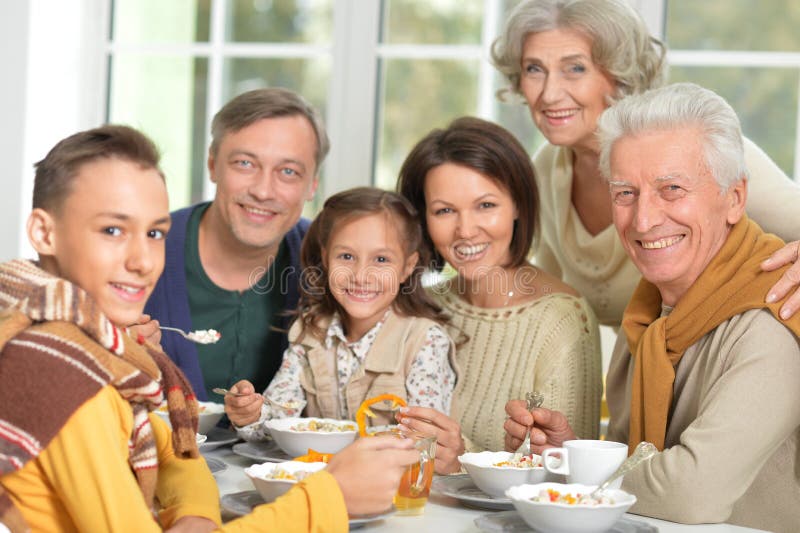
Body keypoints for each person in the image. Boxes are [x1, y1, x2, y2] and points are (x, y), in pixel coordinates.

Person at [0, 125, 421, 532]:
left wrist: (194, 515)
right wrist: (332, 498)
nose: (143, 261)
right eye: (112, 230)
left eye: (154, 233)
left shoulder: (87, 345)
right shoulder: (60, 375)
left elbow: (175, 454)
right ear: (44, 232)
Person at [504, 83, 800, 533]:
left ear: (735, 198)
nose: (643, 220)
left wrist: (580, 472)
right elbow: (643, 466)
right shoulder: (645, 316)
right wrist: (572, 453)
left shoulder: (773, 316)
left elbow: (690, 493)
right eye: (625, 193)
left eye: (672, 189)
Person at [491, 0, 800, 328]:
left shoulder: (699, 148)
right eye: (534, 69)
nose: (549, 94)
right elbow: (554, 308)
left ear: (621, 72)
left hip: (731, 363)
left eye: (575, 68)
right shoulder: (546, 170)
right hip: (637, 374)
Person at [397, 116, 602, 474]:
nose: (465, 230)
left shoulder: (564, 321)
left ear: (518, 205)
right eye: (444, 210)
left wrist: (461, 458)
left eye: (486, 205)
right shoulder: (421, 307)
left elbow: (567, 478)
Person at [224, 187, 457, 440]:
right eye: (346, 256)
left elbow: (425, 443)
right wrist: (250, 416)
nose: (360, 276)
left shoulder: (424, 342)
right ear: (326, 259)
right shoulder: (310, 333)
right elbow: (274, 425)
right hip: (323, 477)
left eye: (381, 260)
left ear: (407, 267)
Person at [143, 87, 327, 401]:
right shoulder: (144, 249)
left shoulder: (331, 260)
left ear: (311, 186)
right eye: (245, 163)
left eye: (288, 171)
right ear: (213, 165)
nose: (263, 191)